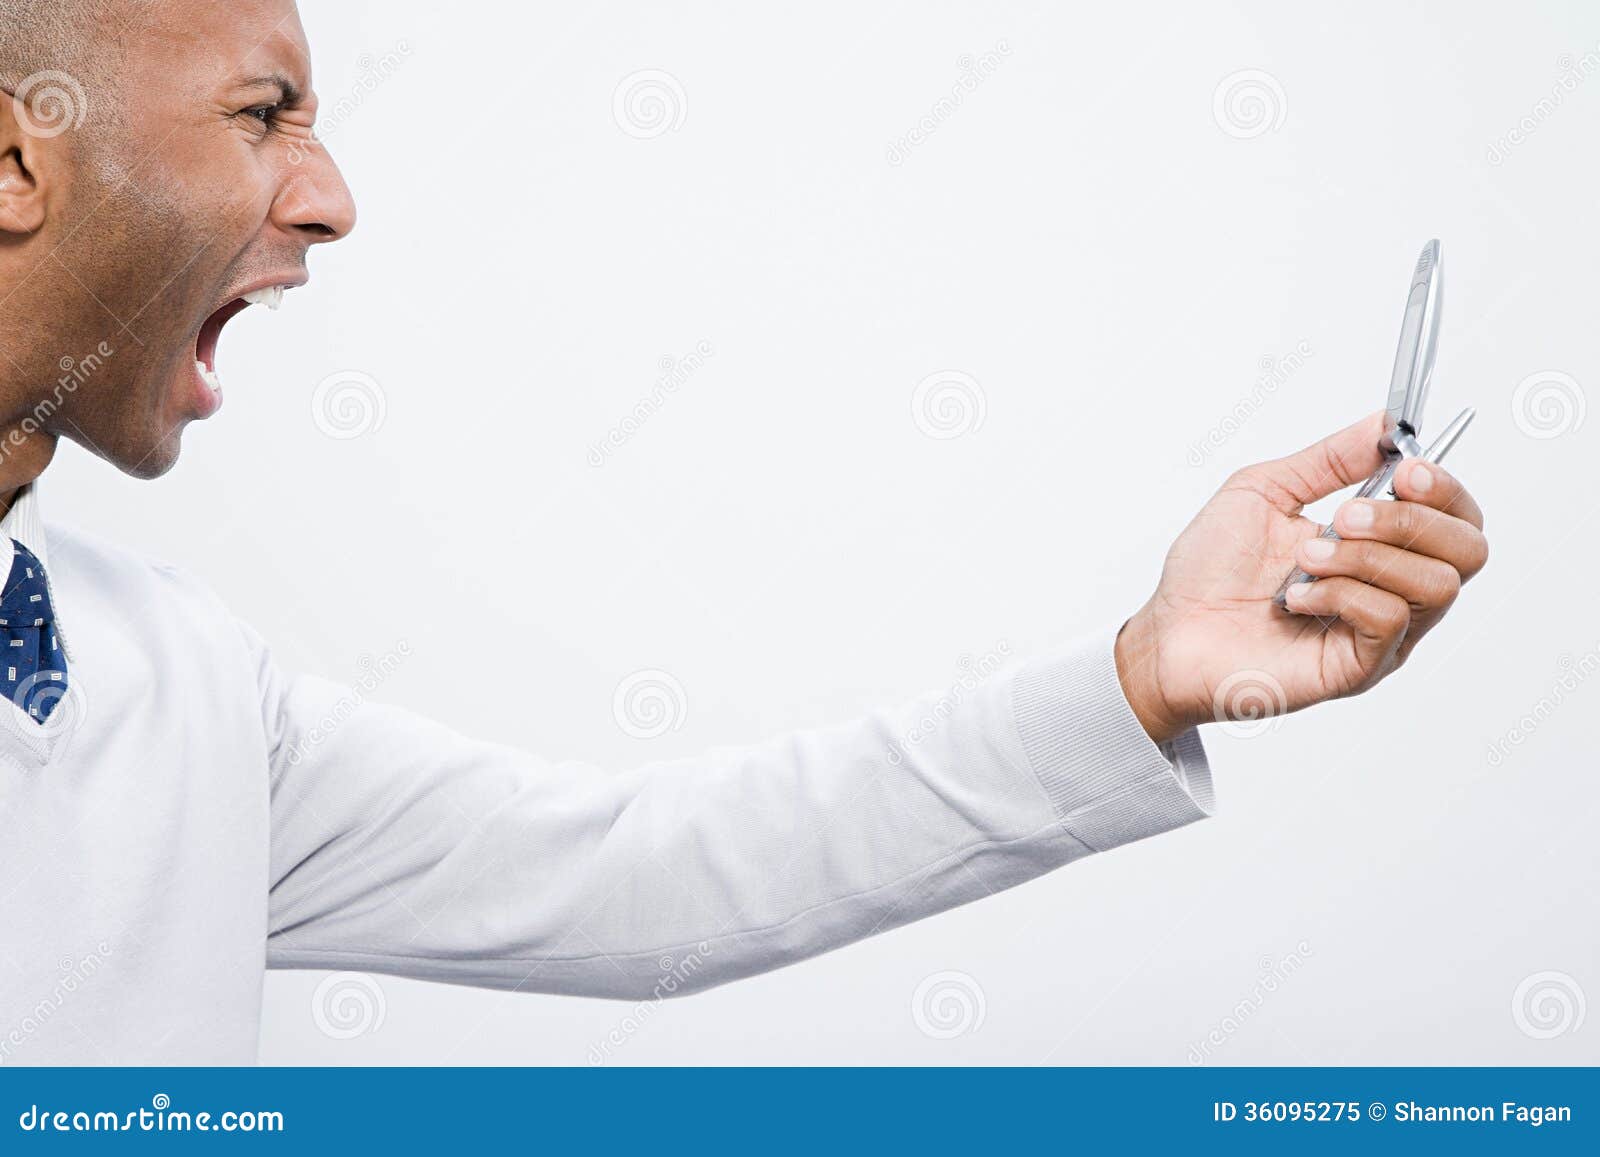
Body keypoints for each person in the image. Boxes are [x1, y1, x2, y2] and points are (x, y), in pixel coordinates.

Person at [0, 0, 1488, 1064]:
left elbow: (640, 880)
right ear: (20, 161)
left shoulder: (176, 674)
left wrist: (1148, 669)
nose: (330, 201)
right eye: (264, 115)